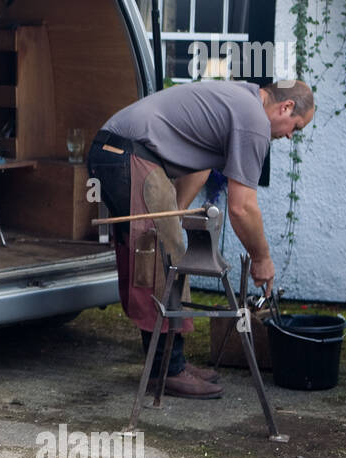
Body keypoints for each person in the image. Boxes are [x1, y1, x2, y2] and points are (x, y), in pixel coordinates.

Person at [87, 79, 314, 398]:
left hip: (118, 151)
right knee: (158, 261)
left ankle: (170, 362)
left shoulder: (241, 100)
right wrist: (262, 259)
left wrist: (177, 212)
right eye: (296, 127)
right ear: (286, 107)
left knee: (167, 253)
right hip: (128, 154)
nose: (290, 135)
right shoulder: (253, 121)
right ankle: (165, 372)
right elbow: (242, 207)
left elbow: (201, 164)